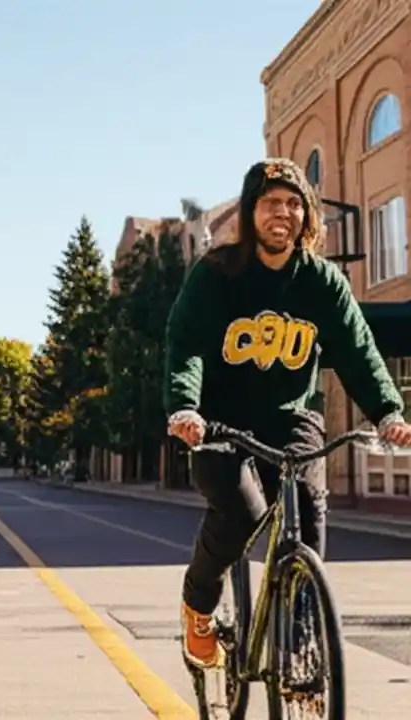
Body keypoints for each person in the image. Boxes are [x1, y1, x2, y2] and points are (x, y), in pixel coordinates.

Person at [162, 157, 411, 670]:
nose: (284, 213)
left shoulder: (321, 282)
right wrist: (185, 405)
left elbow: (358, 351)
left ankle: (299, 647)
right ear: (252, 210)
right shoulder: (216, 275)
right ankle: (198, 603)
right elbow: (186, 344)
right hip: (219, 419)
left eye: (295, 204)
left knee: (308, 521)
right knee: (243, 515)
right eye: (272, 202)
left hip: (292, 418)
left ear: (307, 215)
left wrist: (388, 411)